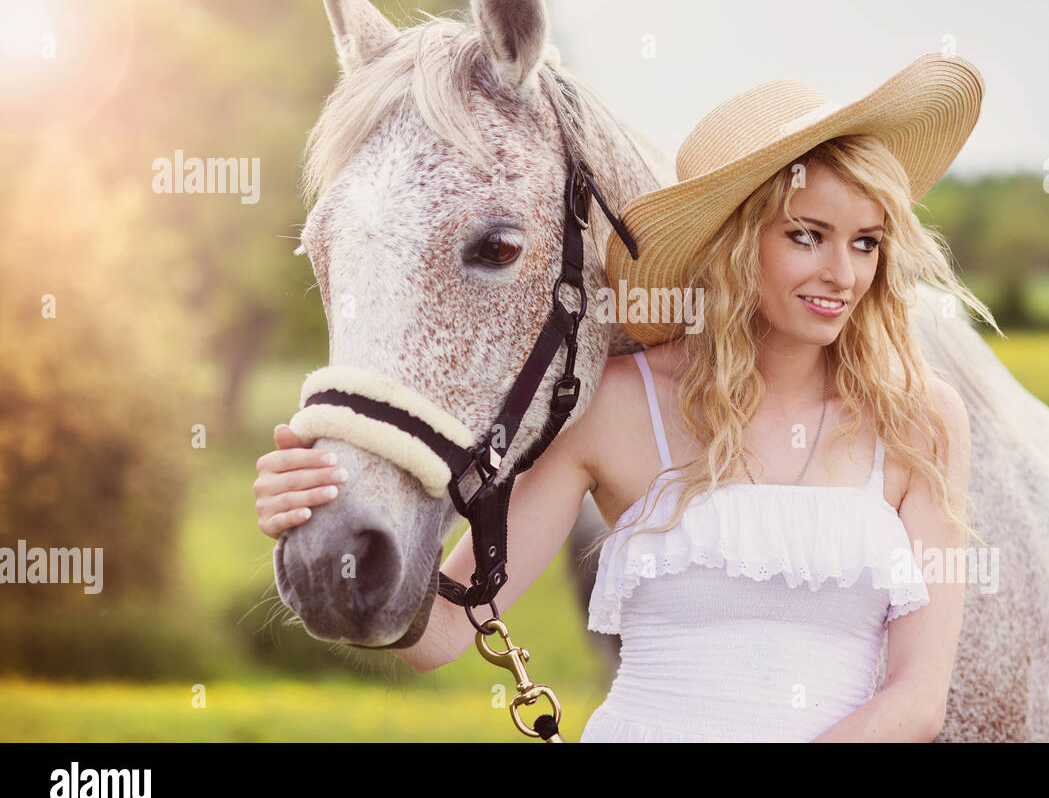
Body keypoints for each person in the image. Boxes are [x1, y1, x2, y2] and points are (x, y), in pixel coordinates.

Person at [255, 53, 994, 742]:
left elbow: (918, 698)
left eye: (865, 241)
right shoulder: (615, 404)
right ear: (740, 239)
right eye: (808, 235)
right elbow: (447, 628)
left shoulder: (922, 422)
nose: (841, 271)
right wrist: (326, 521)